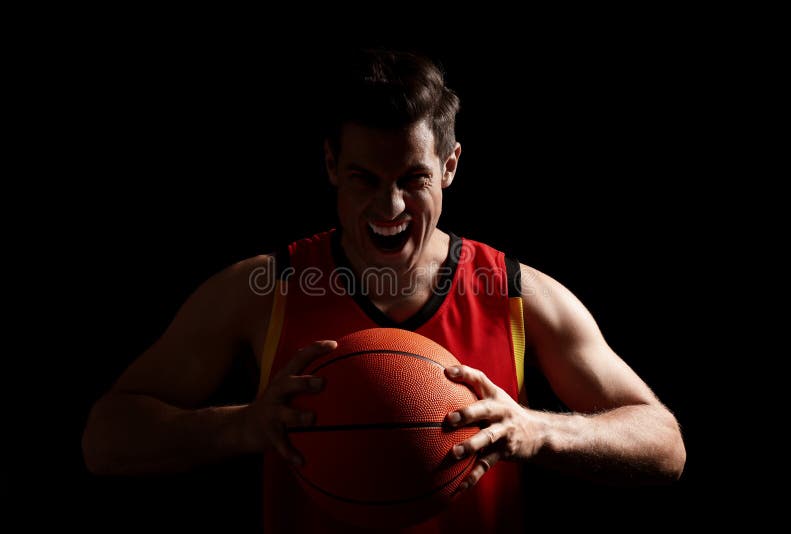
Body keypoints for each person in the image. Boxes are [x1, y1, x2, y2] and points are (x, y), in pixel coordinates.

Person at [82, 49, 686, 532]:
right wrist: (242, 426)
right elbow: (104, 438)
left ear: (449, 165)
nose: (390, 206)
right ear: (329, 166)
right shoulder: (265, 289)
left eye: (413, 178)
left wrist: (534, 429)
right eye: (364, 178)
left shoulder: (516, 295)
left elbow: (664, 444)